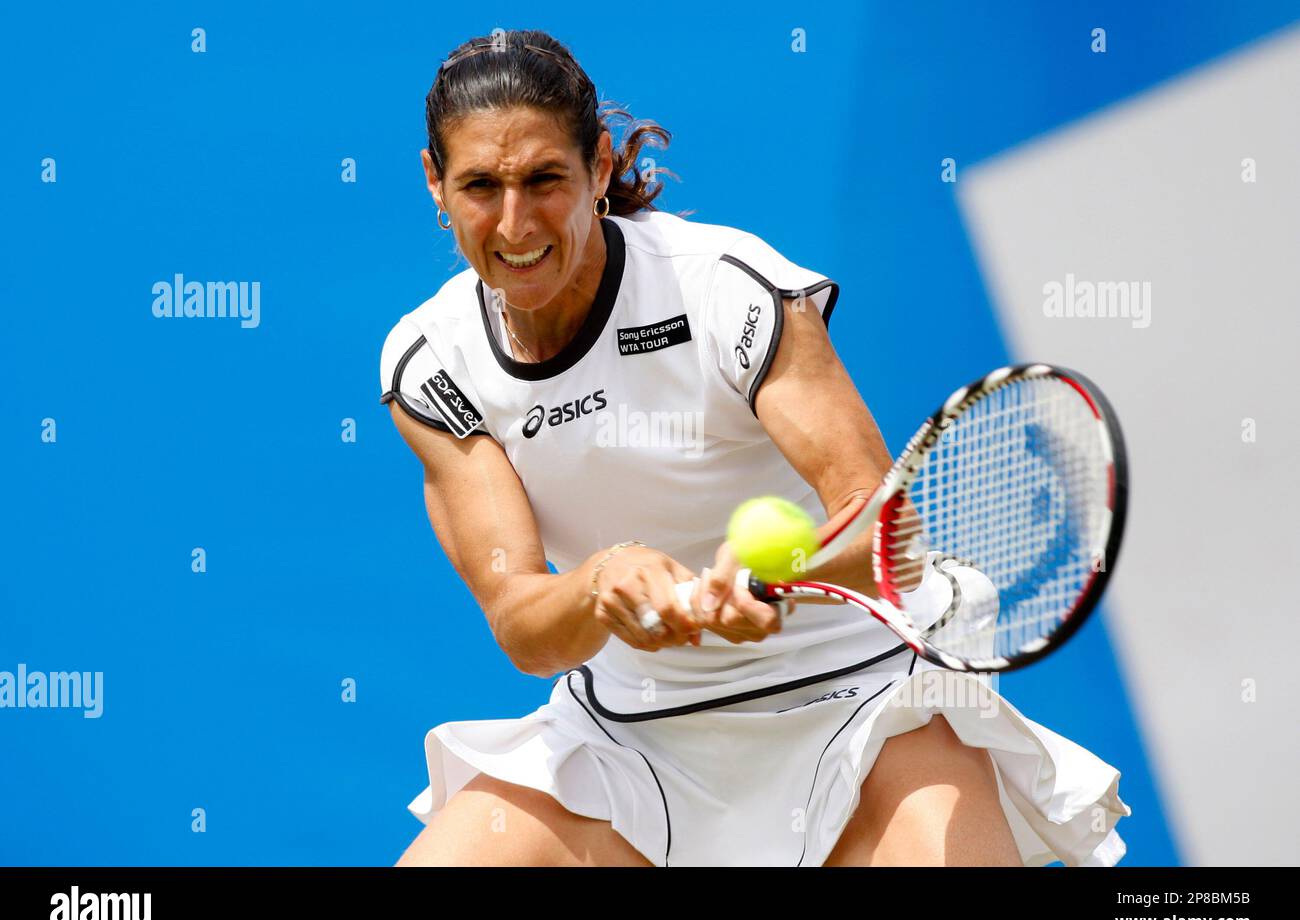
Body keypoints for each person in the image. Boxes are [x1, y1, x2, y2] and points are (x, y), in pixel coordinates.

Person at [381, 29, 1130, 866]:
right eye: (481, 185)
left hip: (866, 703)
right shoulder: (434, 361)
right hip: (631, 743)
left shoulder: (722, 286)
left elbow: (887, 532)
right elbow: (524, 627)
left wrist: (782, 569)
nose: (515, 222)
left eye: (544, 179)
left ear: (596, 168)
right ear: (435, 184)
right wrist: (598, 583)